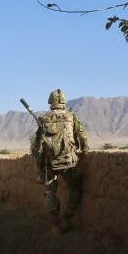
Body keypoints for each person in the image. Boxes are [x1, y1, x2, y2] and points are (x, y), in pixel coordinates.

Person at [31, 89, 89, 231]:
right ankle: (66, 217)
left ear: (51, 102)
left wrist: (39, 163)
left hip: (49, 162)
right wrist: (85, 151)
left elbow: (36, 144)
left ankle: (54, 223)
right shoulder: (71, 116)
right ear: (64, 101)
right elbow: (82, 136)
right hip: (68, 161)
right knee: (76, 187)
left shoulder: (44, 118)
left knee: (50, 192)